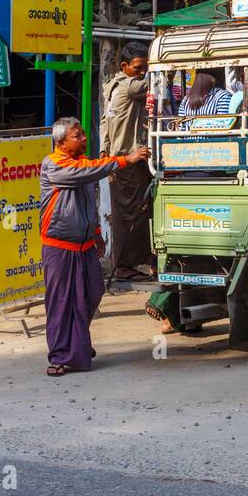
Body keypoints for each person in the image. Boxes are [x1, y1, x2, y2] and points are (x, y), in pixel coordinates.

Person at [39, 118, 149, 376]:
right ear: (61, 142)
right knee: (61, 302)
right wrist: (125, 160)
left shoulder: (81, 164)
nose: (84, 139)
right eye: (77, 136)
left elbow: (89, 201)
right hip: (60, 246)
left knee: (92, 293)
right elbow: (88, 172)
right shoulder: (54, 165)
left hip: (85, 243)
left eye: (83, 134)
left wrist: (97, 231)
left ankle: (76, 344)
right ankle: (58, 356)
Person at [99, 41, 153, 281]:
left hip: (118, 159)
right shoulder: (131, 86)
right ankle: (125, 267)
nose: (143, 72)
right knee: (133, 214)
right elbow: (157, 83)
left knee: (129, 213)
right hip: (130, 159)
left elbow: (104, 121)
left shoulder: (111, 86)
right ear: (124, 66)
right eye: (139, 68)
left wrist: (104, 150)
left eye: (145, 68)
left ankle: (139, 262)